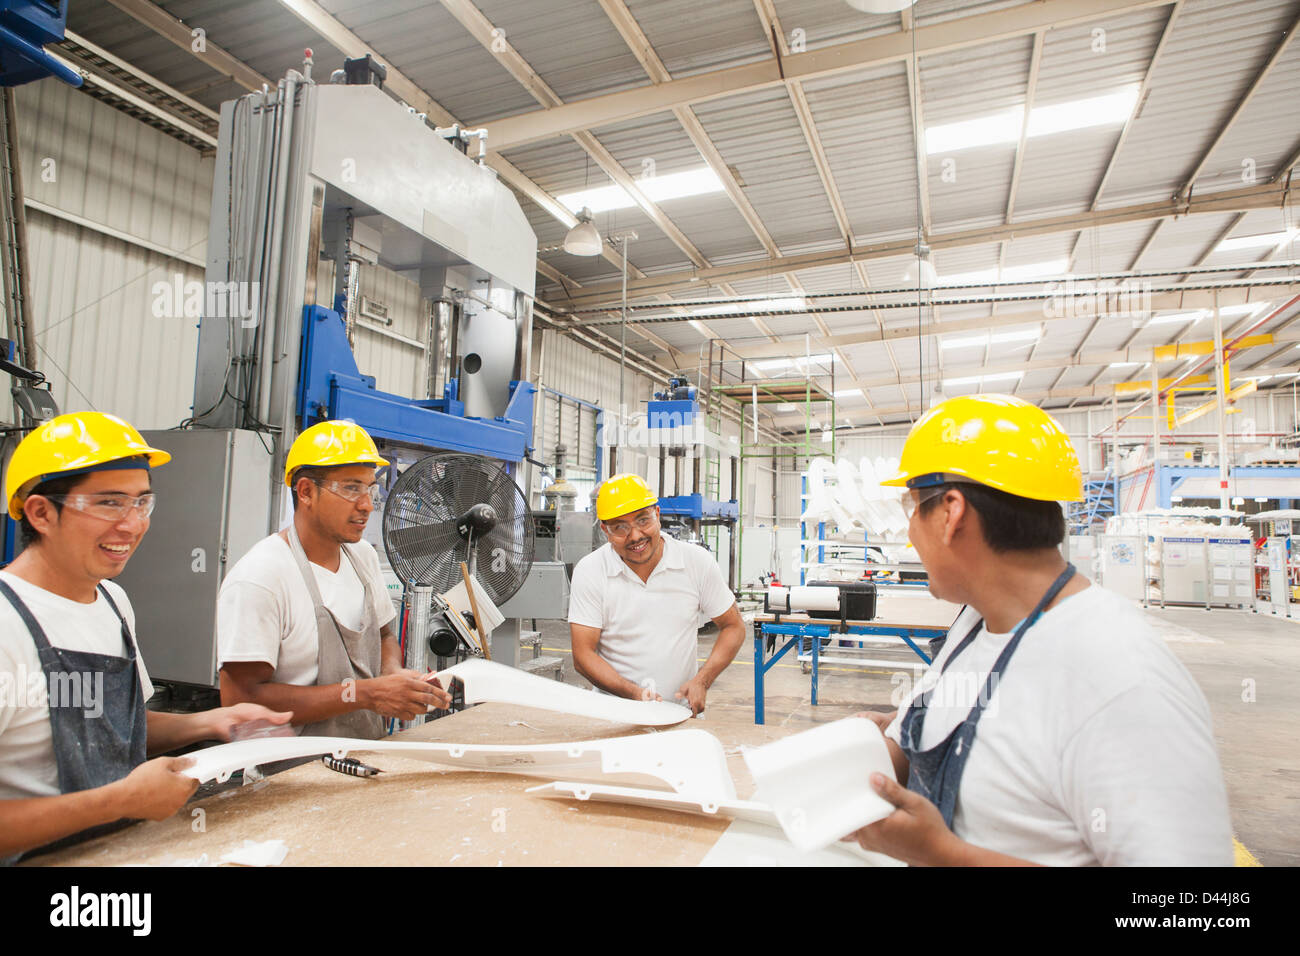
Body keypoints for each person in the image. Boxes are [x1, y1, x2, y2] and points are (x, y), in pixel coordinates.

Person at [848, 394, 1232, 866]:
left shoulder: (1123, 679)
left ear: (951, 512)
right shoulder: (976, 624)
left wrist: (945, 856)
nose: (909, 531)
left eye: (912, 506)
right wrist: (882, 743)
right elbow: (938, 731)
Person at [0, 412, 290, 863]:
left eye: (142, 503)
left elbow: (112, 725)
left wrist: (214, 720)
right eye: (110, 504)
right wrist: (121, 800)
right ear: (41, 512)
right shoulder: (6, 622)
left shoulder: (113, 603)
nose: (133, 525)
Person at [218, 420, 449, 736]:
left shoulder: (362, 557)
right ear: (306, 492)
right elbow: (239, 699)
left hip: (364, 755)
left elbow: (383, 636)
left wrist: (393, 677)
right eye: (351, 488)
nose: (367, 504)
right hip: (287, 774)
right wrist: (366, 694)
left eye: (369, 488)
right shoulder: (261, 578)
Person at [568, 474, 743, 715]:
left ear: (657, 515)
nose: (636, 536)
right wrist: (633, 694)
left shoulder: (695, 562)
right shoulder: (591, 571)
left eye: (643, 520)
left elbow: (733, 626)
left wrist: (702, 680)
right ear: (605, 530)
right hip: (613, 714)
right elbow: (582, 655)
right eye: (620, 527)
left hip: (681, 714)